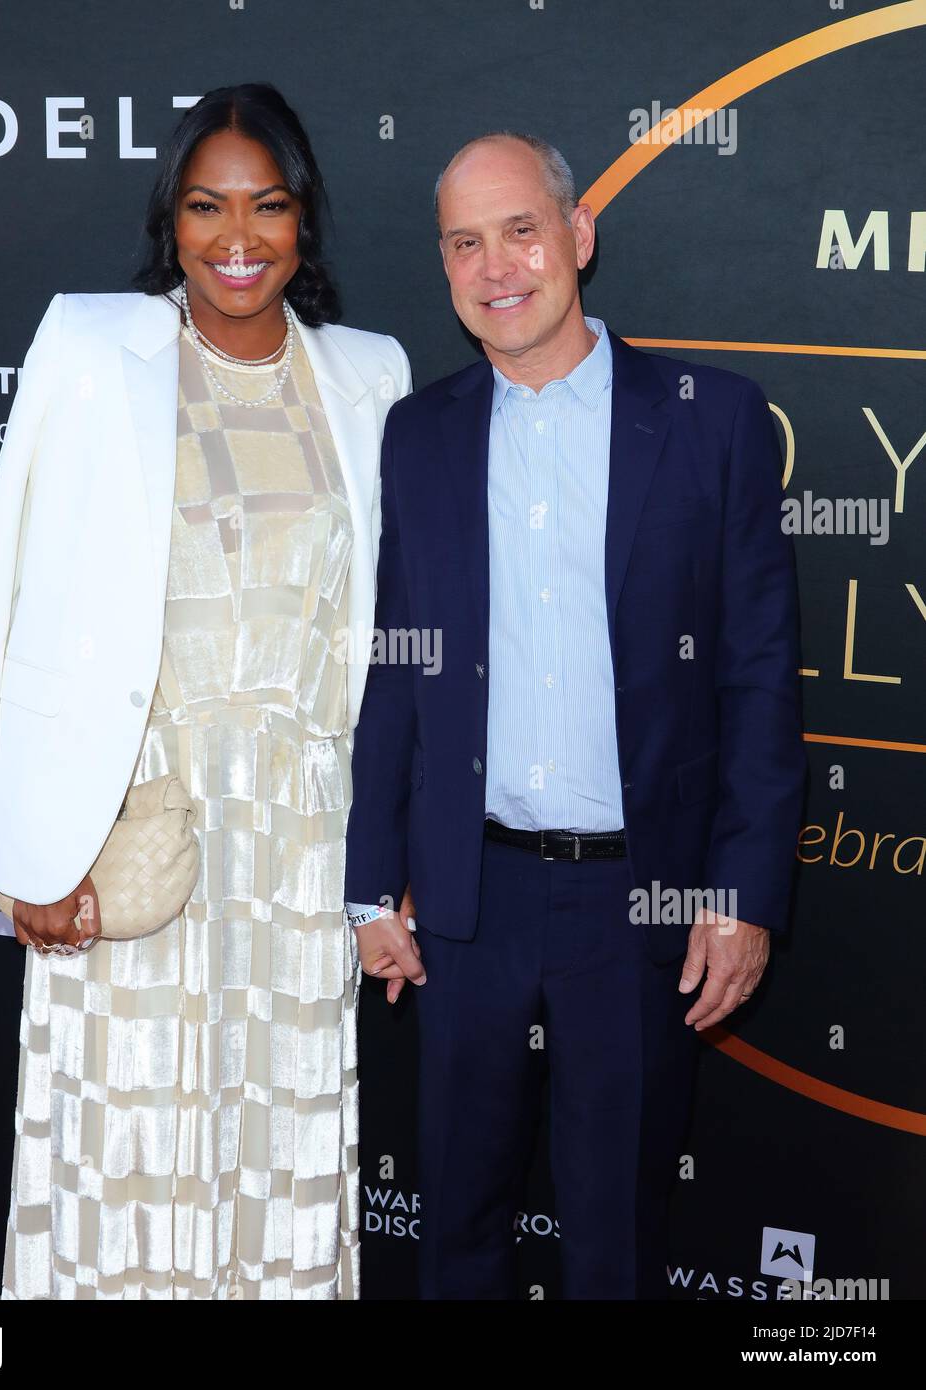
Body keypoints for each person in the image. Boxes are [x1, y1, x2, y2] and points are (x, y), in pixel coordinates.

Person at [0, 83, 411, 1300]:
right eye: (206, 206)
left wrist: (390, 852)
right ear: (172, 218)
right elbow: (1, 590)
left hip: (303, 837)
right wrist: (15, 843)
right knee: (130, 1125)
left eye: (267, 204)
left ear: (305, 218)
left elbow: (398, 627)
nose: (236, 236)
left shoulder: (369, 376)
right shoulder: (93, 349)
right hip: (130, 814)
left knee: (275, 1133)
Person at [344, 131, 806, 1299]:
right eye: (464, 242)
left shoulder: (713, 420)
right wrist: (370, 878)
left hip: (638, 901)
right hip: (467, 901)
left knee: (615, 1245)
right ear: (443, 265)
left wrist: (741, 895)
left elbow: (758, 675)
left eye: (519, 230)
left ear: (578, 237)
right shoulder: (421, 433)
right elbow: (398, 666)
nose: (496, 266)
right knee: (453, 1228)